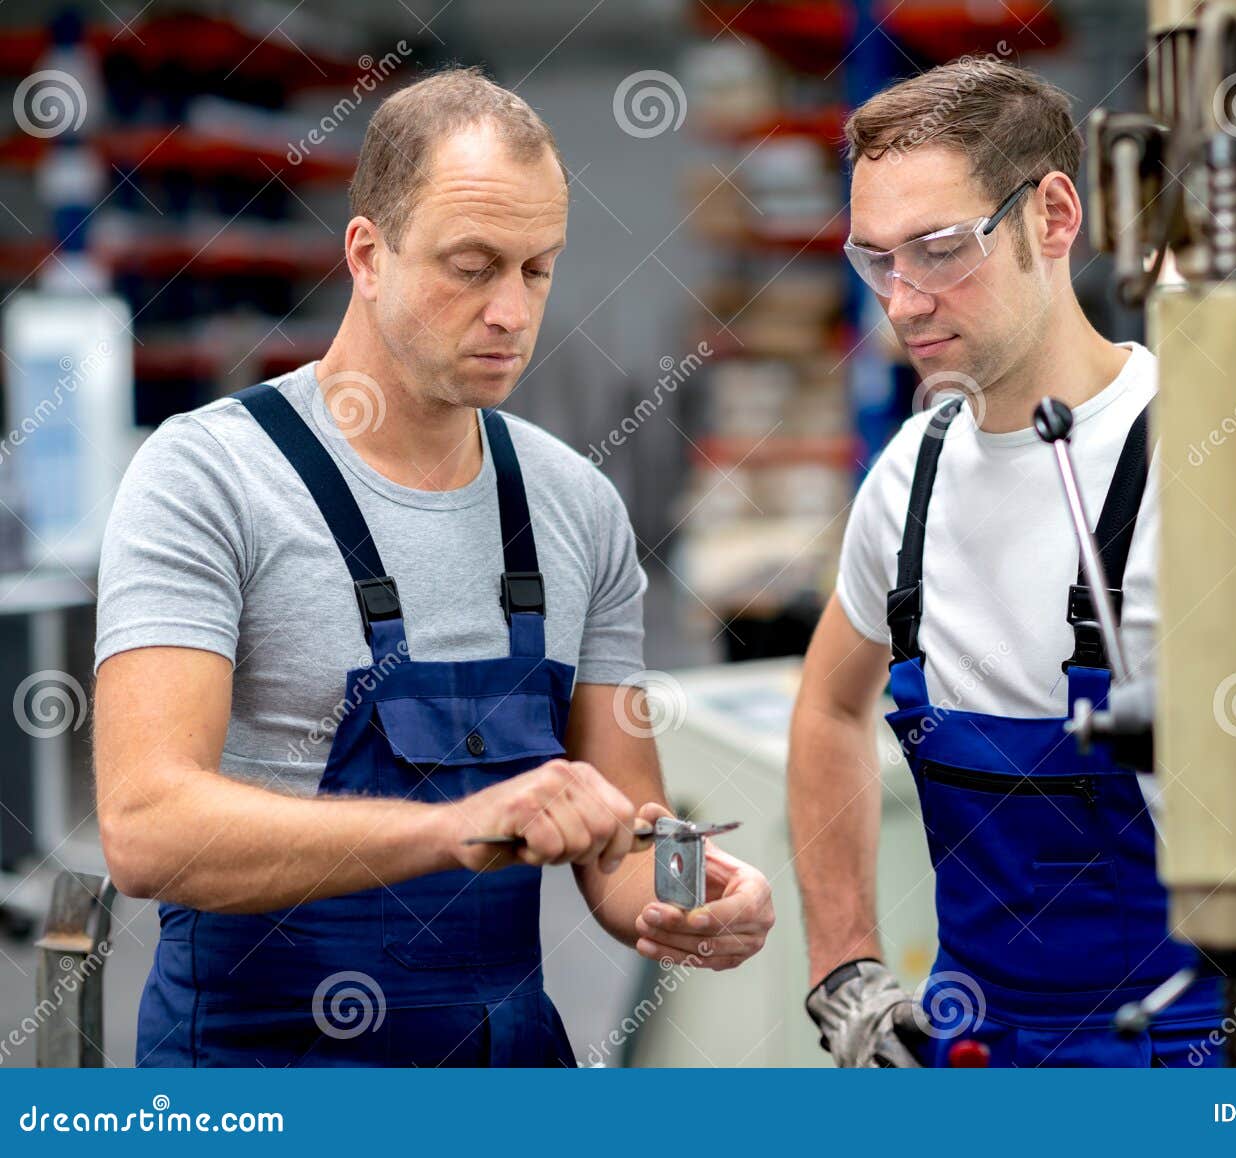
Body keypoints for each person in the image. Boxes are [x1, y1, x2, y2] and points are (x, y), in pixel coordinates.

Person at [93, 67, 773, 1068]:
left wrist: (685, 894)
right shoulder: (208, 478)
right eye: (472, 266)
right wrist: (454, 829)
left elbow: (623, 828)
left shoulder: (573, 507)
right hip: (264, 1071)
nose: (510, 311)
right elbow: (147, 828)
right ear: (367, 253)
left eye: (536, 270)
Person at [788, 60, 1222, 1068]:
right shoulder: (911, 477)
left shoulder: (1203, 460)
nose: (901, 301)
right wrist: (845, 964)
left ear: (1053, 216)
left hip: (1182, 1046)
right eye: (875, 261)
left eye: (939, 251)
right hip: (971, 1044)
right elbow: (826, 707)